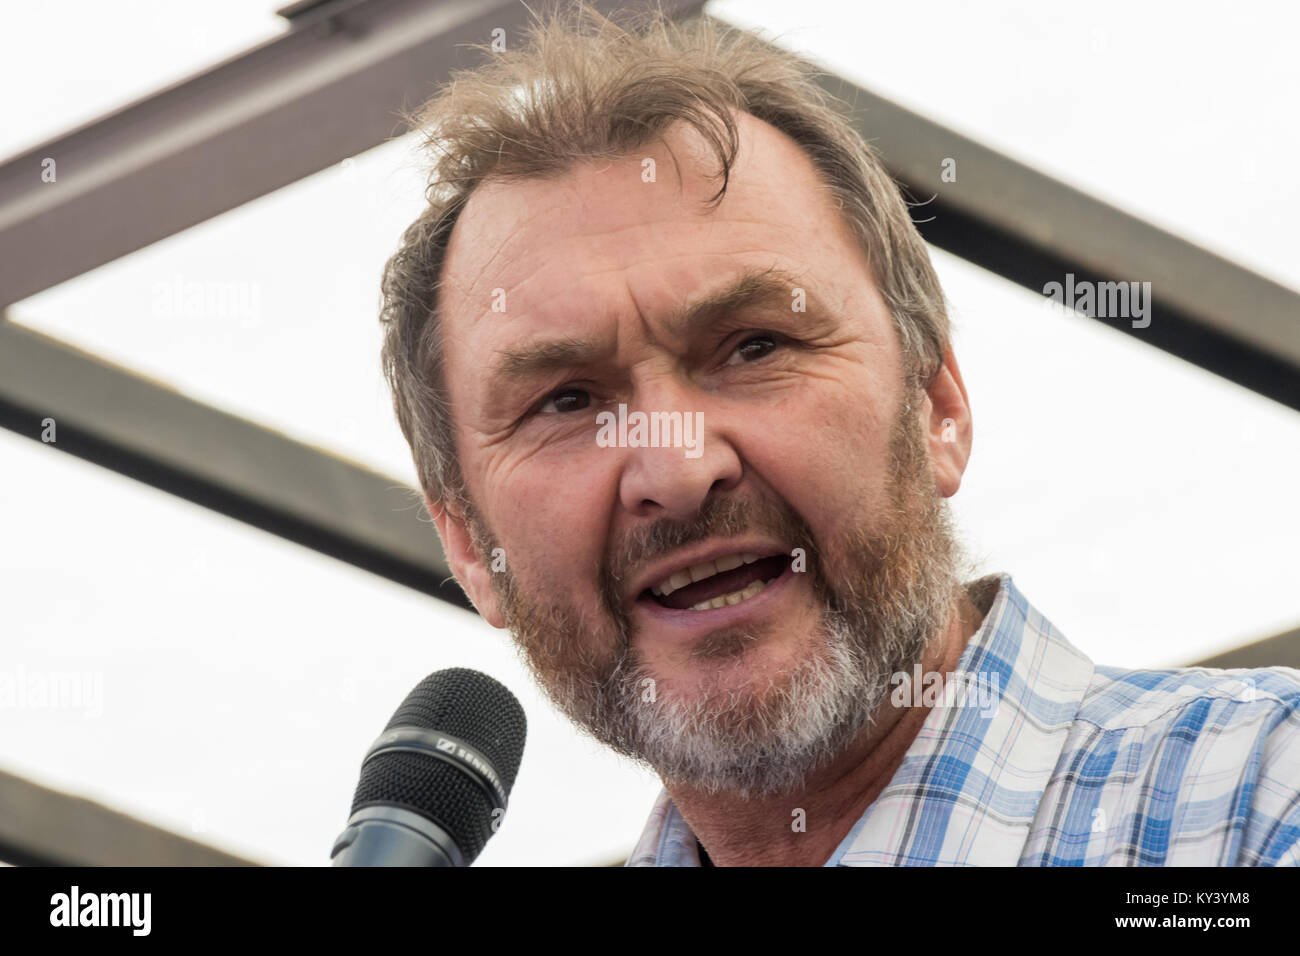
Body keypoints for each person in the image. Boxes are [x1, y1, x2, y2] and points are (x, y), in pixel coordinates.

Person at [377, 5, 1300, 866]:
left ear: (937, 406)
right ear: (466, 542)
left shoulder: (1259, 799)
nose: (679, 467)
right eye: (567, 402)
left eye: (754, 346)